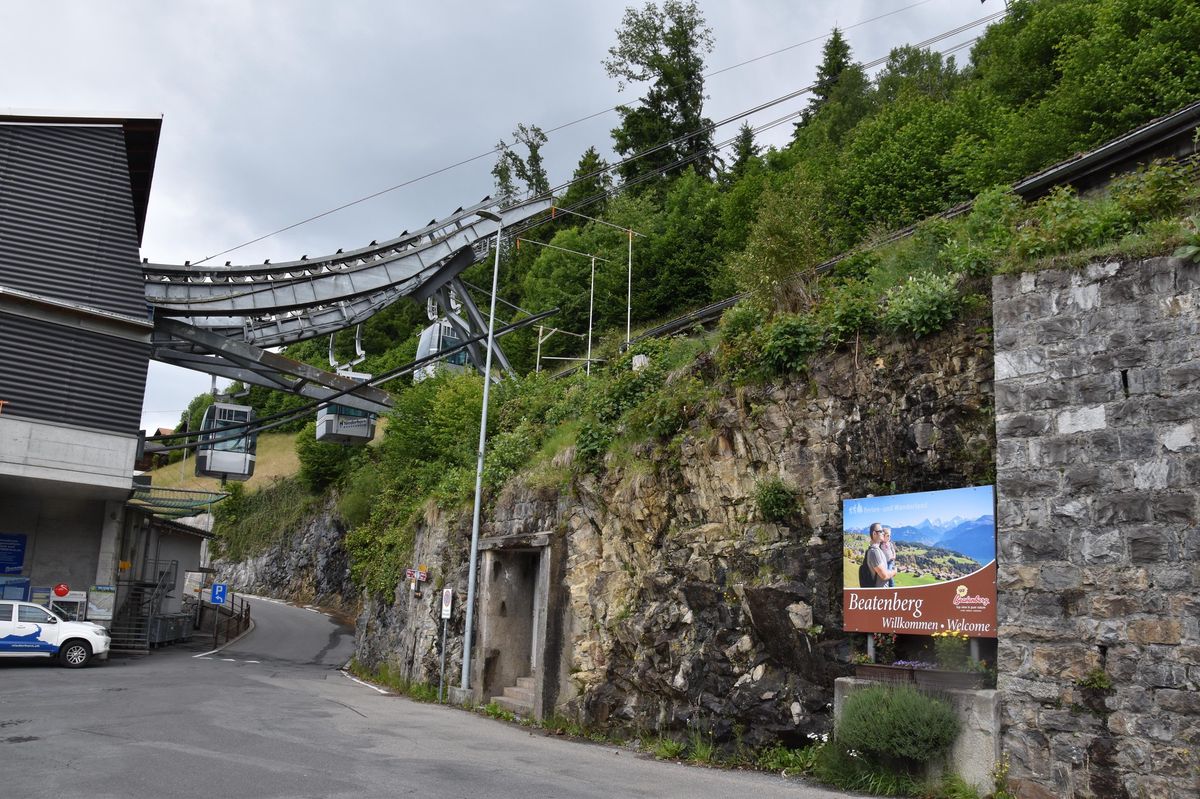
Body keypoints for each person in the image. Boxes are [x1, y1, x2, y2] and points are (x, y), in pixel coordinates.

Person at [866, 523, 896, 588]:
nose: (883, 533)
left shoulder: (877, 549)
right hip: (880, 592)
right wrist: (894, 572)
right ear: (874, 533)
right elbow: (884, 576)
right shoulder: (874, 552)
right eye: (881, 531)